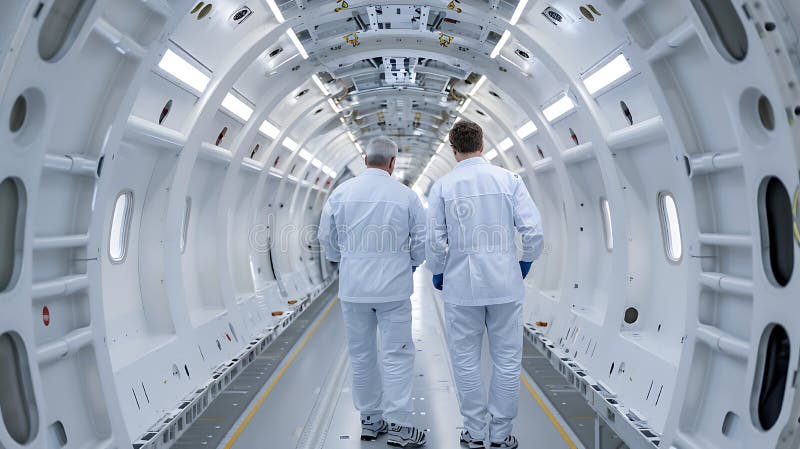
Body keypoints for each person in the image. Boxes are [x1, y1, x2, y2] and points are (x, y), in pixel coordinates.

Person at [426, 121, 544, 449]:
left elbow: (434, 240)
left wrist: (438, 271)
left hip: (461, 287)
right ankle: (501, 435)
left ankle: (475, 432)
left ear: (452, 149)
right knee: (506, 358)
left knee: (465, 358)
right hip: (505, 284)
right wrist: (524, 262)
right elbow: (533, 231)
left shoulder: (444, 187)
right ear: (483, 144)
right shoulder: (509, 181)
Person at [317, 136, 427, 448]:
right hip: (393, 290)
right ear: (392, 163)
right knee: (398, 355)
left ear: (365, 161)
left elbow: (327, 236)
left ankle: (369, 420)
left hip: (353, 291)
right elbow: (421, 239)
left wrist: (344, 260)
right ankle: (400, 427)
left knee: (361, 354)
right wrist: (413, 264)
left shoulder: (341, 193)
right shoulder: (405, 196)